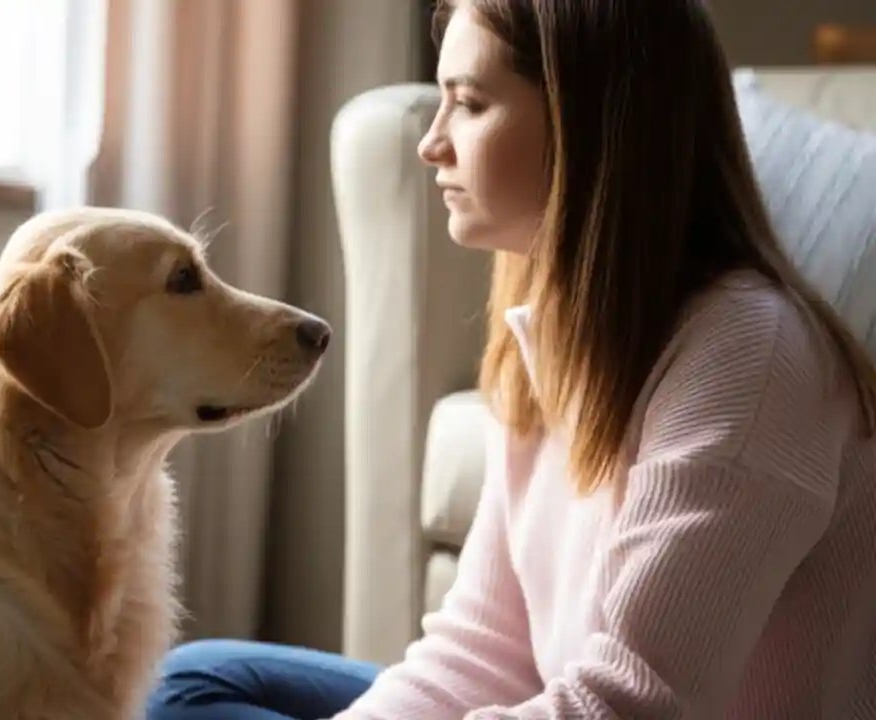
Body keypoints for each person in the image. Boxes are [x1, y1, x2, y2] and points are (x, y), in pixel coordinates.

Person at [145, 0, 876, 718]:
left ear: (588, 123)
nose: (432, 142)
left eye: (469, 103)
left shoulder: (750, 360)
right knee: (195, 682)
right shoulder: (555, 332)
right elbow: (483, 648)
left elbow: (630, 705)